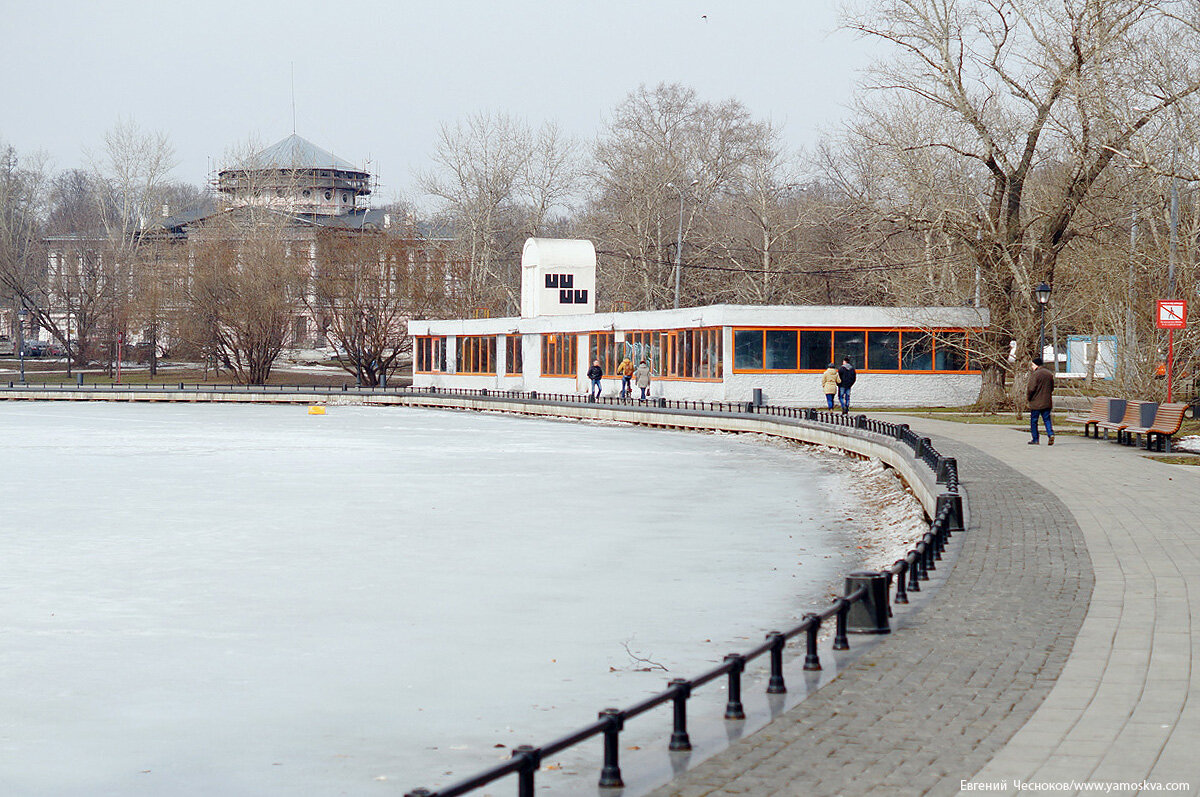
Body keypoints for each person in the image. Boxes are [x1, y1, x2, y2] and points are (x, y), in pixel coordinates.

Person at [1027, 355, 1055, 445]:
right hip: (1047, 401)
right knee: (1047, 419)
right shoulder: (1049, 374)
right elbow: (1052, 388)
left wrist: (1029, 398)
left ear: (1036, 365)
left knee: (1034, 420)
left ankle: (1035, 439)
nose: (1032, 367)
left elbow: (1031, 388)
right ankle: (1050, 434)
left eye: (1032, 365)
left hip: (1036, 402)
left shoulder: (1035, 374)